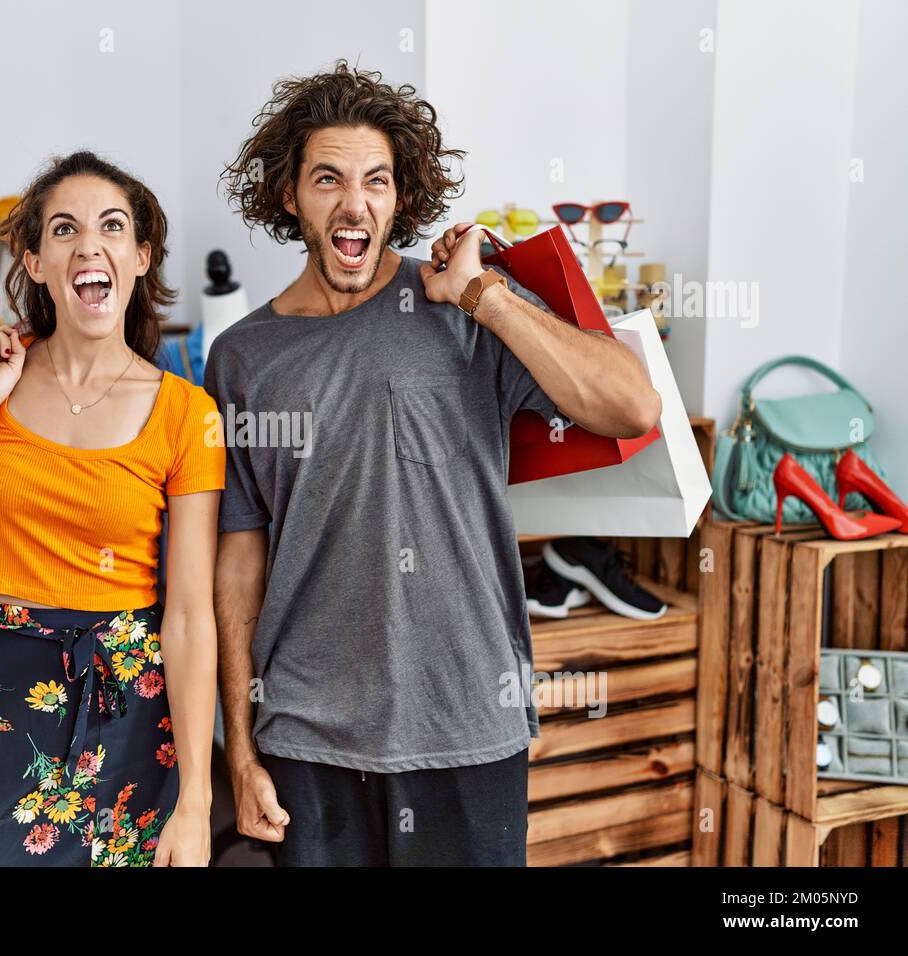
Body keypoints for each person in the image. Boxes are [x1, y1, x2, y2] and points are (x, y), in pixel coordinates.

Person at [208, 61, 662, 866]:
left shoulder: (463, 308)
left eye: (377, 181)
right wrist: (239, 753)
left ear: (400, 195)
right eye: (328, 179)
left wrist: (486, 297)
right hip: (308, 733)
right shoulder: (243, 357)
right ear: (288, 196)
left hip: (465, 717)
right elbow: (239, 557)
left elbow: (633, 407)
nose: (355, 203)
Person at [0, 151, 224, 867]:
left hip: (130, 705)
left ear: (140, 257)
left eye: (111, 226)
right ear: (37, 261)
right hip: (5, 698)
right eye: (64, 229)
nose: (89, 245)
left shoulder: (186, 414)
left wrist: (197, 800)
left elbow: (193, 615)